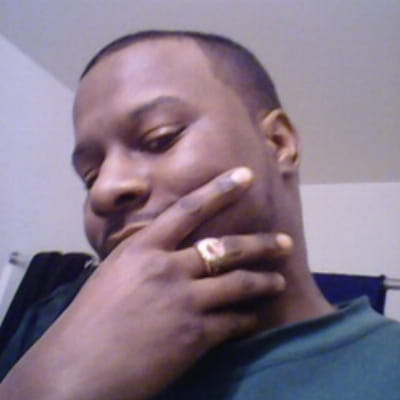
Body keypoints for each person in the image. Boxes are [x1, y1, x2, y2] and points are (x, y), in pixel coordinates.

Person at [0, 30, 399, 399]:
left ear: (278, 143)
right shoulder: (41, 345)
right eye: (90, 176)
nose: (104, 190)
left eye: (160, 138)